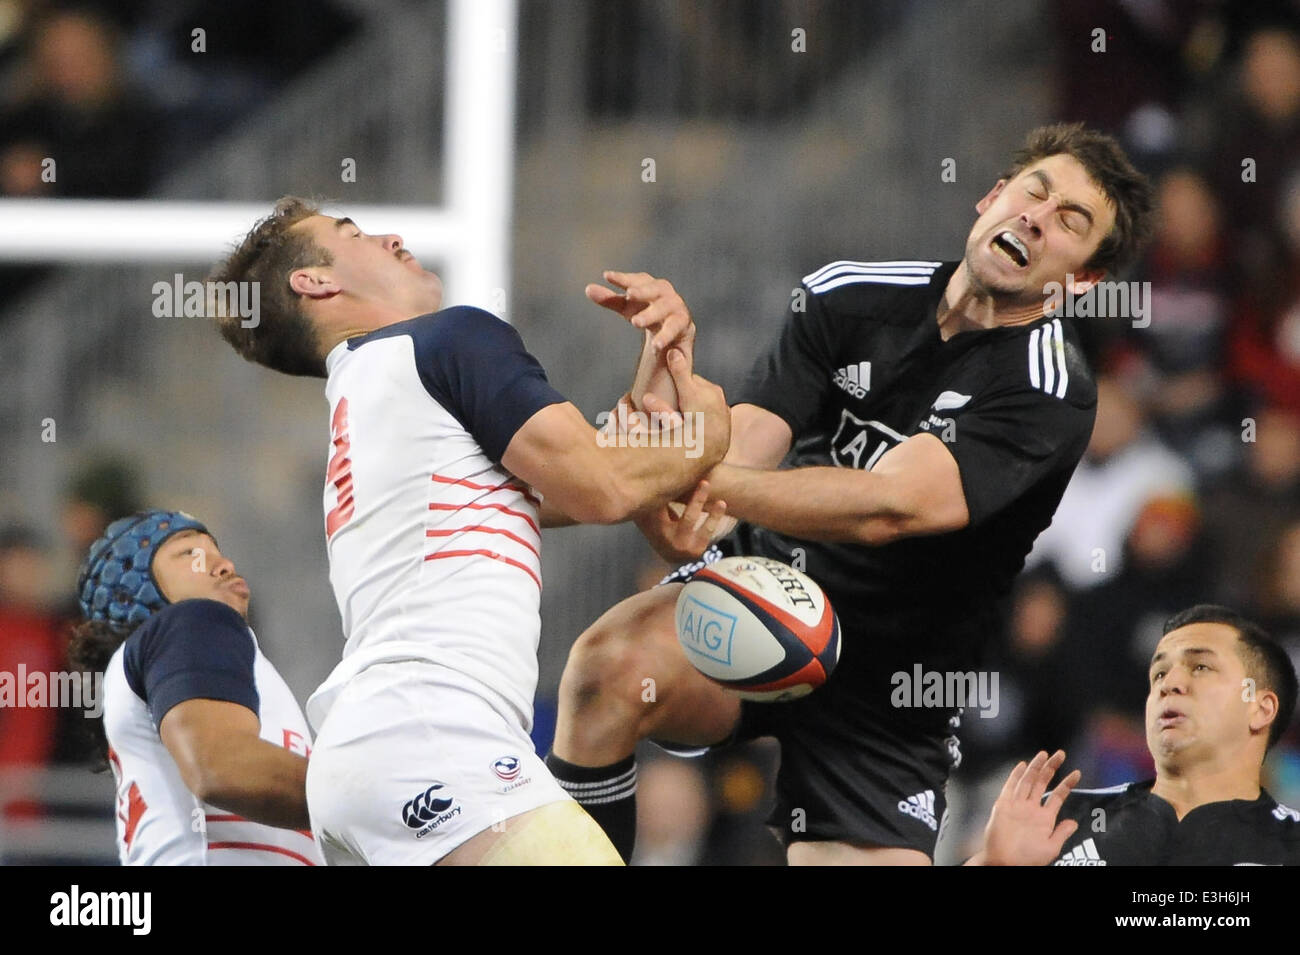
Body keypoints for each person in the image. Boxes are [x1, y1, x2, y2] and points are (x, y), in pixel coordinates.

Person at [547, 122, 1155, 865]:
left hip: (889, 694)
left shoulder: (1049, 387)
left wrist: (688, 475)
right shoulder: (849, 294)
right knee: (604, 671)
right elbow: (742, 452)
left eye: (1071, 222)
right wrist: (674, 466)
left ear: (1081, 281)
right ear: (992, 197)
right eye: (1035, 190)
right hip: (760, 595)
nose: (1037, 215)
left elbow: (888, 506)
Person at [210, 200, 730, 864]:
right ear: (314, 282)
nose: (392, 236)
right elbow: (603, 483)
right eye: (355, 234)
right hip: (431, 735)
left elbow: (569, 485)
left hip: (374, 758)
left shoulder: (372, 397)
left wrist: (658, 365)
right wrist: (708, 438)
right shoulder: (448, 339)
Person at [69, 509, 323, 866]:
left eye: (217, 551)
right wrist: (381, 797)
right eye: (190, 553)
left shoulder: (189, 660)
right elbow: (222, 766)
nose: (224, 564)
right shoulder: (190, 620)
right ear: (130, 589)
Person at [970, 605, 1300, 865]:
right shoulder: (1057, 819)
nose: (1168, 685)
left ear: (1260, 709)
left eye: (1201, 667)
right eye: (1159, 673)